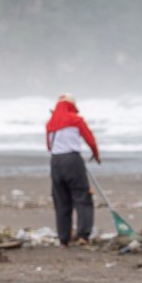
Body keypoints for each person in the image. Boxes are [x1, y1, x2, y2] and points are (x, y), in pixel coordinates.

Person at [46, 94, 99, 247]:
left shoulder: (50, 123)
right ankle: (83, 235)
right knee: (82, 198)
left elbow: (49, 146)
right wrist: (95, 154)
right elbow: (89, 138)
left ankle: (63, 239)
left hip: (55, 162)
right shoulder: (76, 120)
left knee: (61, 201)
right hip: (72, 160)